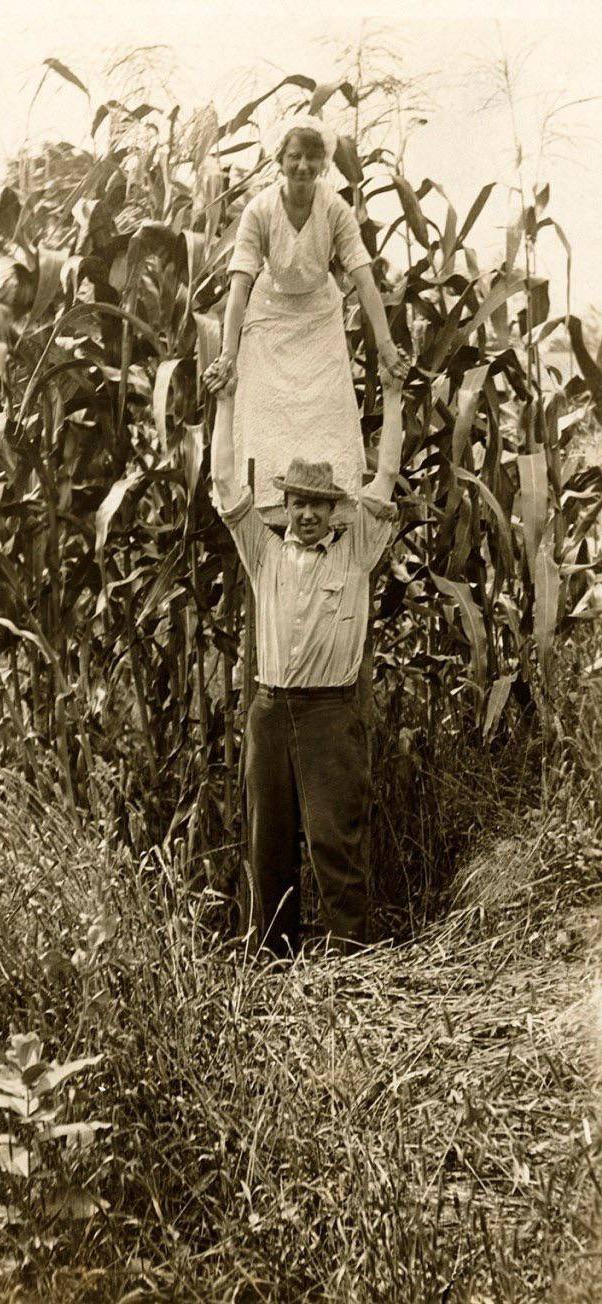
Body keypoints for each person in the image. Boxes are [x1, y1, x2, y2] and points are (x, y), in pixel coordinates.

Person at [210, 357, 407, 958]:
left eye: (320, 504)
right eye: (299, 502)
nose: (308, 513)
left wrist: (394, 397)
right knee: (268, 845)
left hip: (330, 715)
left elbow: (385, 477)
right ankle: (272, 968)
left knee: (335, 842)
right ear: (287, 504)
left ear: (333, 511)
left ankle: (352, 968)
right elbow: (224, 487)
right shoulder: (263, 554)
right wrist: (225, 401)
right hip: (270, 712)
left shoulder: (356, 555)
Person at [204, 113, 406, 520]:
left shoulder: (335, 210)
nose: (303, 167)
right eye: (294, 157)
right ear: (280, 159)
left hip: (319, 318)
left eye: (313, 159)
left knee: (326, 413)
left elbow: (364, 279)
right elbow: (240, 282)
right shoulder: (259, 210)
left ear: (324, 163)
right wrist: (228, 354)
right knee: (265, 416)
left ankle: (324, 517)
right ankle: (269, 517)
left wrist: (385, 346)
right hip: (268, 320)